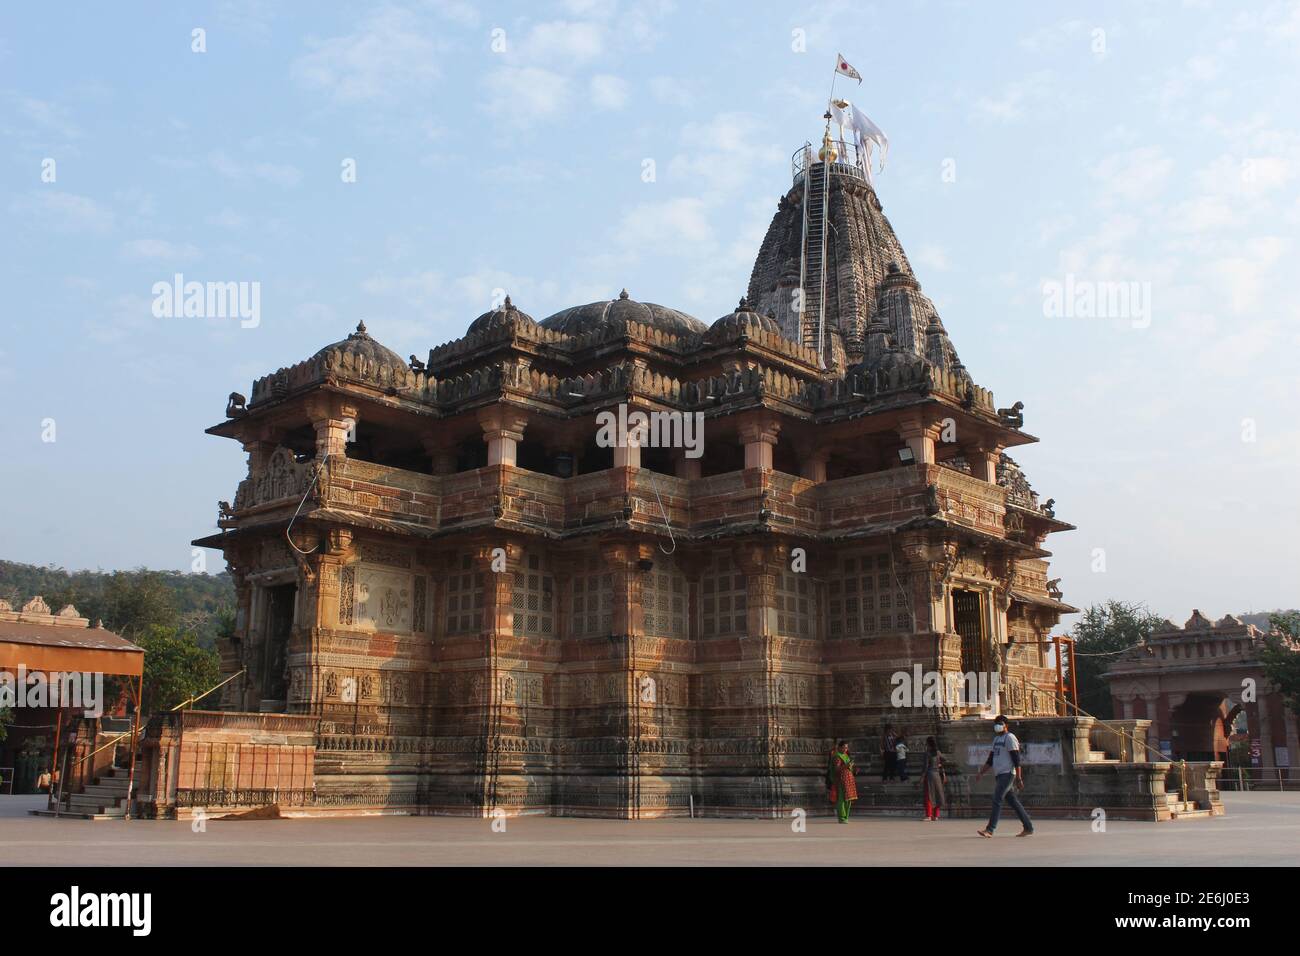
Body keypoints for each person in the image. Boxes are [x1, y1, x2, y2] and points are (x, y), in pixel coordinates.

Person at [974, 715, 1034, 837]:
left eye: (1000, 723)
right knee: (1013, 802)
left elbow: (1016, 759)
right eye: (996, 724)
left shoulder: (1010, 738)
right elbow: (991, 760)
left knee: (997, 799)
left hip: (1007, 774)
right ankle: (1028, 827)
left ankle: (990, 829)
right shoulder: (996, 740)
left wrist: (1019, 777)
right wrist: (981, 772)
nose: (997, 726)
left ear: (1006, 725)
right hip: (999, 774)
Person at [827, 741, 859, 823]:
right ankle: (842, 818)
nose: (846, 749)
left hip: (848, 780)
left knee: (848, 799)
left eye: (847, 747)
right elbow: (837, 769)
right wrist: (846, 766)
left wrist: (854, 769)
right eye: (844, 747)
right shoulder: (837, 757)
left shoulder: (846, 756)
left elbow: (849, 767)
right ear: (840, 747)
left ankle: (846, 817)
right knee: (841, 799)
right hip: (841, 780)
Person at [920, 737, 946, 821]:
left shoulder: (927, 753)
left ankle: (928, 815)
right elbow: (944, 760)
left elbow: (925, 767)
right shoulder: (938, 753)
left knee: (929, 795)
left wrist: (922, 777)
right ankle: (936, 815)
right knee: (937, 794)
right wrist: (939, 765)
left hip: (930, 775)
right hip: (937, 775)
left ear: (928, 743)